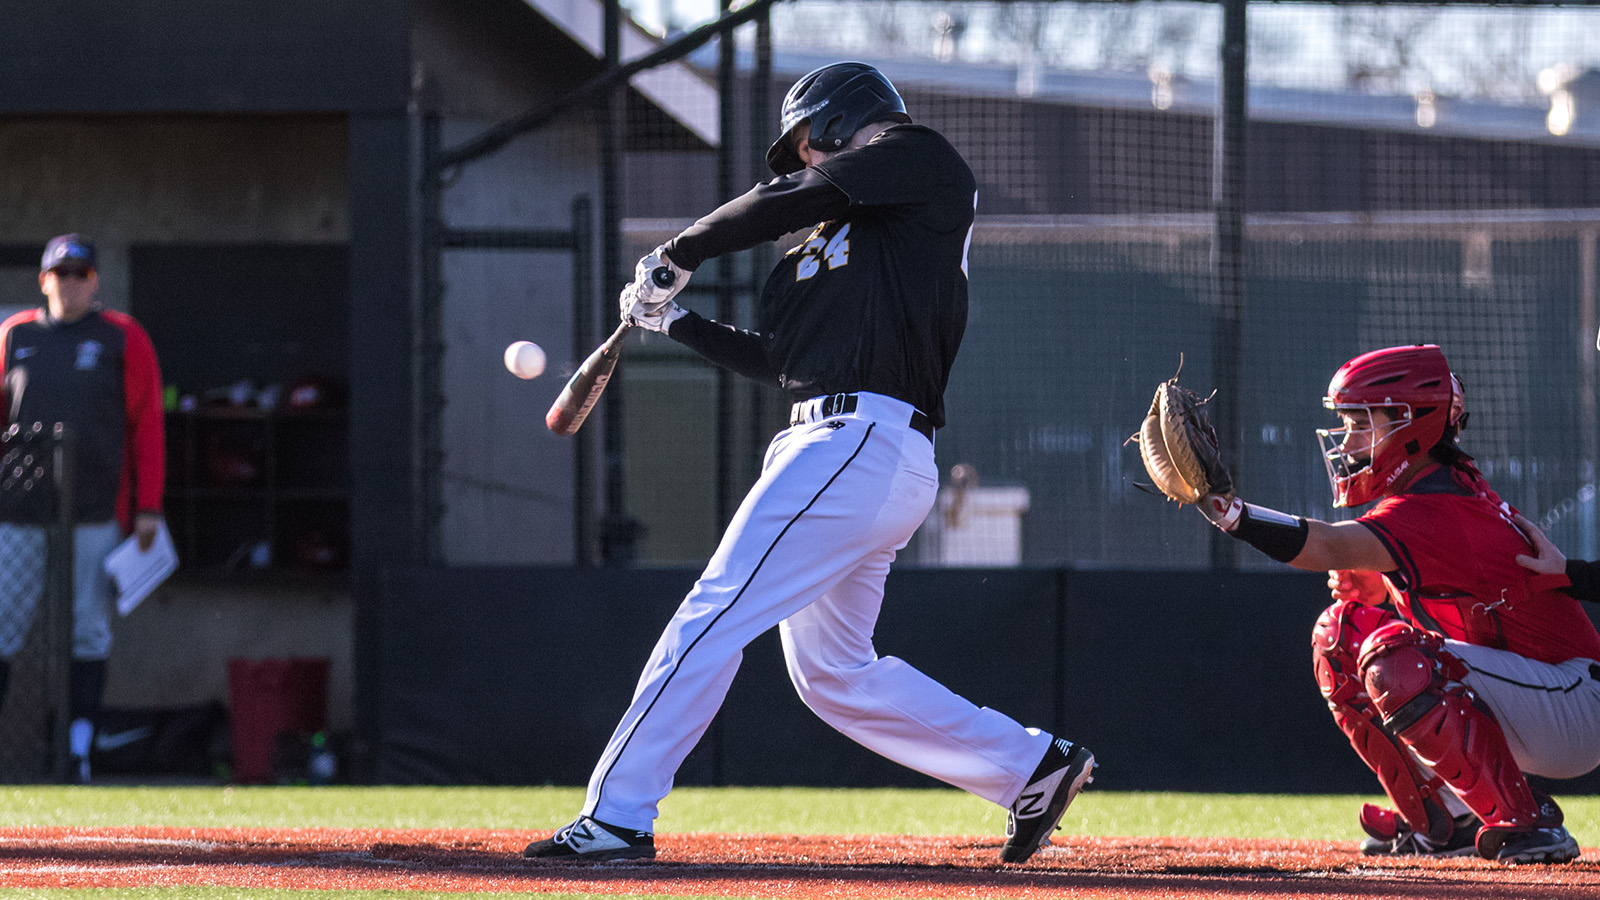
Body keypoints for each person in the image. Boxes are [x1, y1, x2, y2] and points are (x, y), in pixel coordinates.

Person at [525, 62, 1095, 865]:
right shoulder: (827, 243)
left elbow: (791, 198)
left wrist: (679, 249)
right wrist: (674, 320)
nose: (800, 161)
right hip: (841, 446)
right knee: (832, 673)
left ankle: (618, 814)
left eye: (803, 143)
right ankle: (1030, 766)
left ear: (836, 119)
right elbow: (785, 363)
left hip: (858, 443)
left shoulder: (915, 157)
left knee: (710, 616)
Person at [1192, 343, 1599, 864]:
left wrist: (1230, 514)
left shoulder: (1437, 505)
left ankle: (1526, 823)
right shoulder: (1438, 491)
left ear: (1412, 425)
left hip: (1575, 703)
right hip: (1539, 693)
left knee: (1396, 656)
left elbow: (1326, 546)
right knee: (1340, 634)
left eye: (1363, 422)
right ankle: (1442, 820)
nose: (1349, 439)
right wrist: (1386, 587)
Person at [0, 234, 166, 782]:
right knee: (4, 625)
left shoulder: (122, 336)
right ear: (43, 279)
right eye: (61, 273)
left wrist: (149, 507)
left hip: (96, 507)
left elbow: (148, 427)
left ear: (95, 280)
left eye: (81, 273)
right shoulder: (15, 333)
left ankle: (79, 751)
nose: (71, 282)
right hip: (19, 508)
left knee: (88, 630)